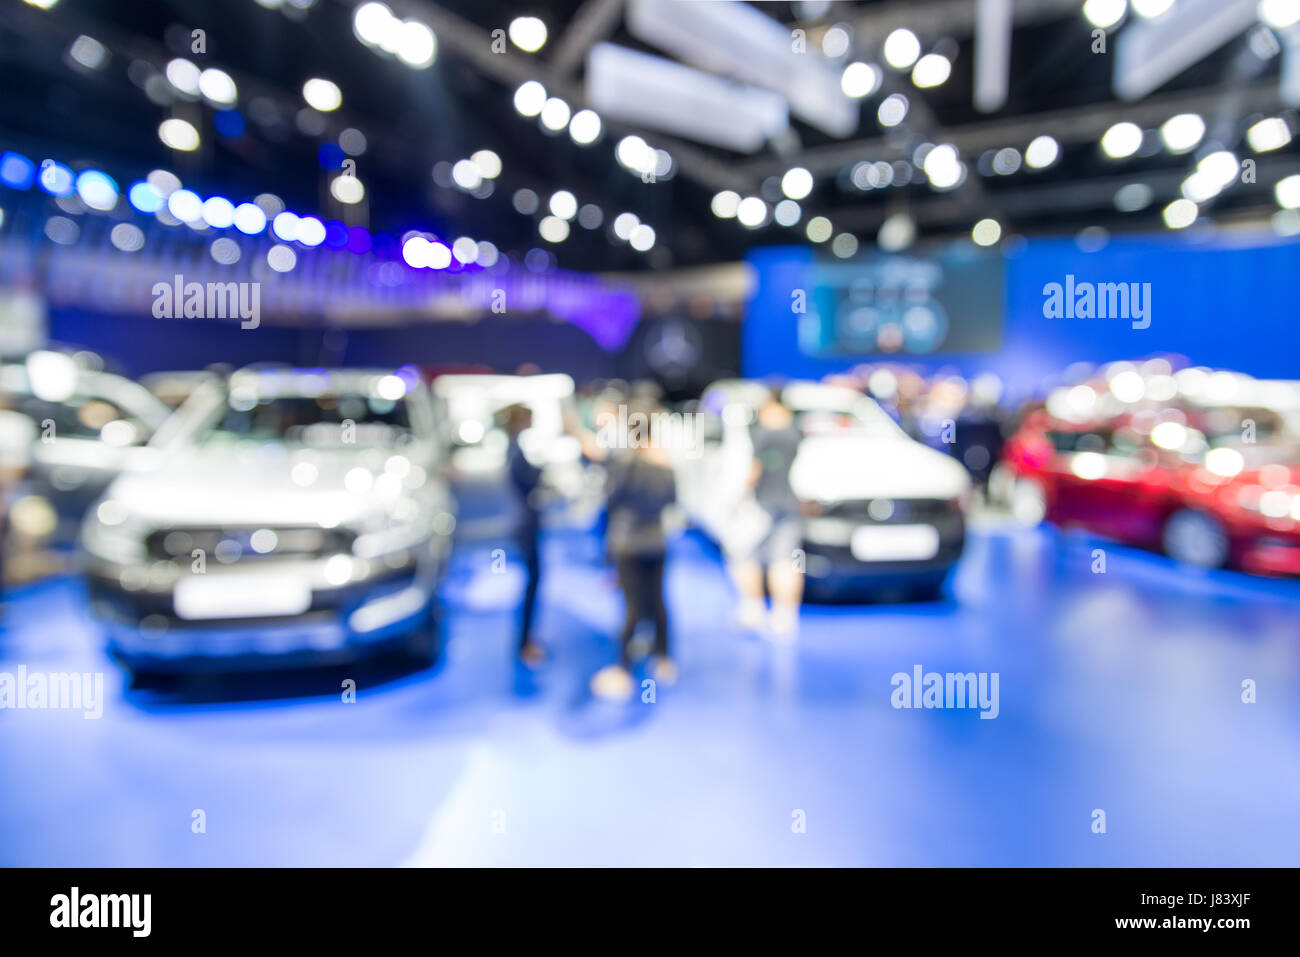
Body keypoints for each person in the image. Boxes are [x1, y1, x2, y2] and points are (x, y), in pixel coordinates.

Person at [590, 405, 678, 701]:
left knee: (632, 607)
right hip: (656, 540)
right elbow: (672, 500)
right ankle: (663, 659)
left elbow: (611, 500)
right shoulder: (664, 463)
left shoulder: (627, 464)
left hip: (629, 543)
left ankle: (623, 669)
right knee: (658, 601)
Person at [730, 387, 804, 641]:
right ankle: (786, 616)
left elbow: (756, 468)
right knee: (785, 559)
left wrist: (740, 498)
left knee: (745, 555)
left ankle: (753, 609)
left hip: (762, 503)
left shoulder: (764, 433)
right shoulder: (795, 430)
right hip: (789, 501)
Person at [502, 403, 546, 666]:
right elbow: (527, 481)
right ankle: (525, 643)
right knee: (533, 581)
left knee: (533, 581)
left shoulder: (513, 447)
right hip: (525, 524)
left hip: (523, 522)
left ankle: (527, 641)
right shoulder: (515, 450)